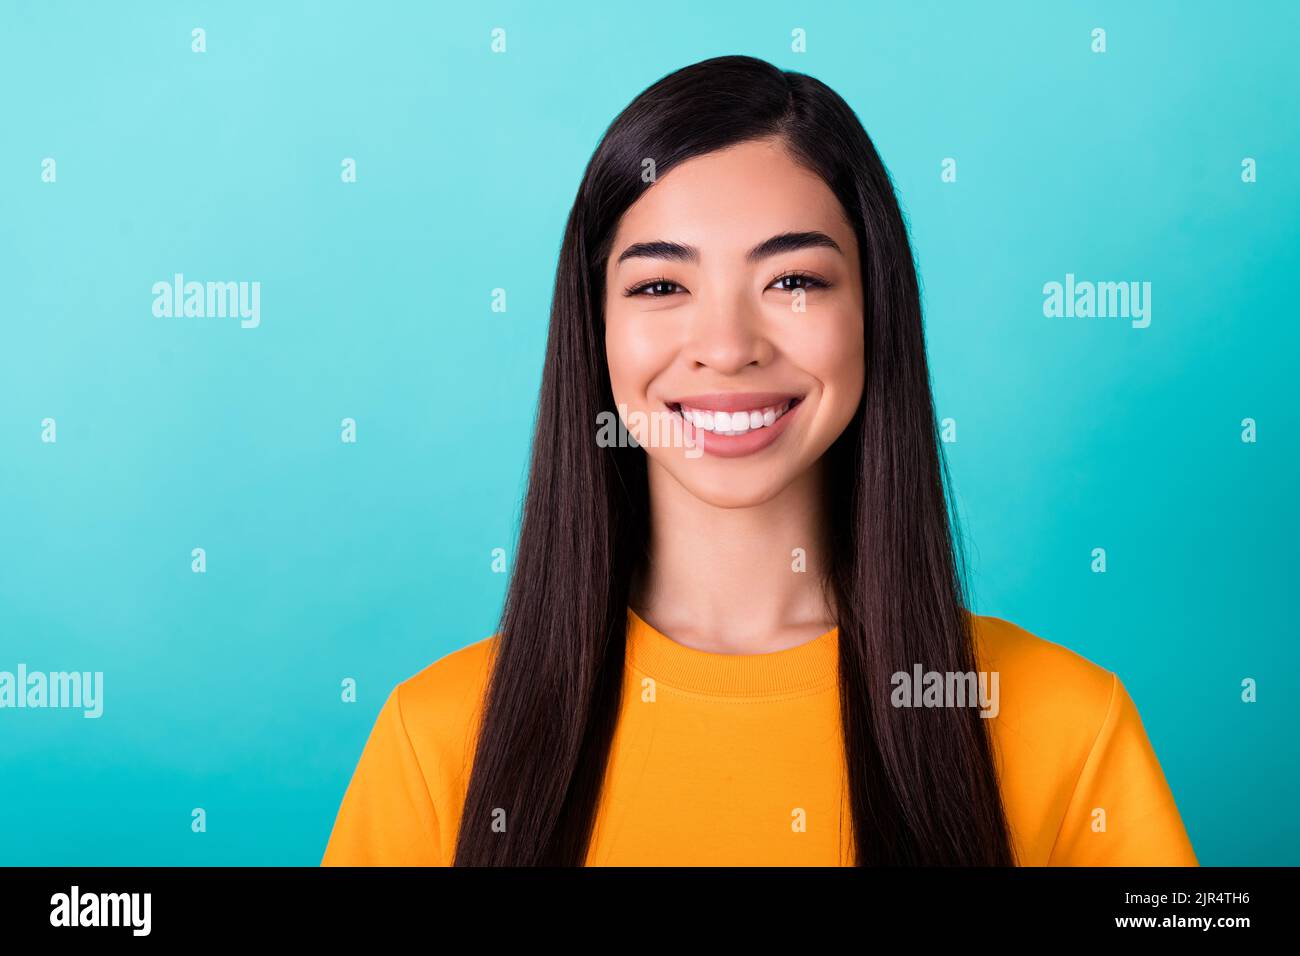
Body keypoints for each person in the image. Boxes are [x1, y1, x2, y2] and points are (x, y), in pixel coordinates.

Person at [321, 54, 1197, 867]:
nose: (728, 346)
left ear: (873, 311)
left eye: (794, 281)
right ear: (595, 328)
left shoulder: (1066, 725)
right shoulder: (433, 742)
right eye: (661, 285)